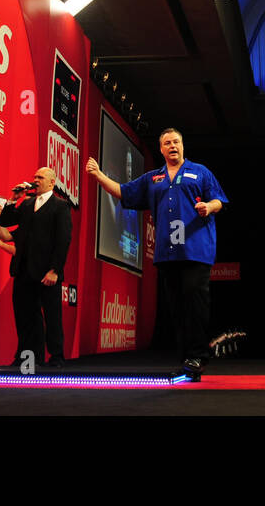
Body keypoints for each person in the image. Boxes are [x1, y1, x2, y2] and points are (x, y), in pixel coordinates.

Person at [87, 128, 228, 380]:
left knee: (195, 304)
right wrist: (98, 176)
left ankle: (198, 355)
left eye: (176, 141)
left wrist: (209, 206)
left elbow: (219, 199)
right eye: (167, 143)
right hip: (167, 253)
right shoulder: (153, 178)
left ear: (183, 146)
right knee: (177, 308)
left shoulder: (201, 172)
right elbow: (123, 192)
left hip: (195, 250)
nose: (172, 145)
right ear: (161, 149)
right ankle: (188, 360)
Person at [0, 167, 72, 368]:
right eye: (34, 177)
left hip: (47, 271)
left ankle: (56, 357)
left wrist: (55, 270)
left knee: (52, 316)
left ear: (51, 182)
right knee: (25, 316)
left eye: (40, 177)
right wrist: (14, 199)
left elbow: (63, 240)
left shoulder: (60, 206)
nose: (35, 180)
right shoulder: (27, 204)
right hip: (23, 271)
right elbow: (5, 221)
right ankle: (28, 358)